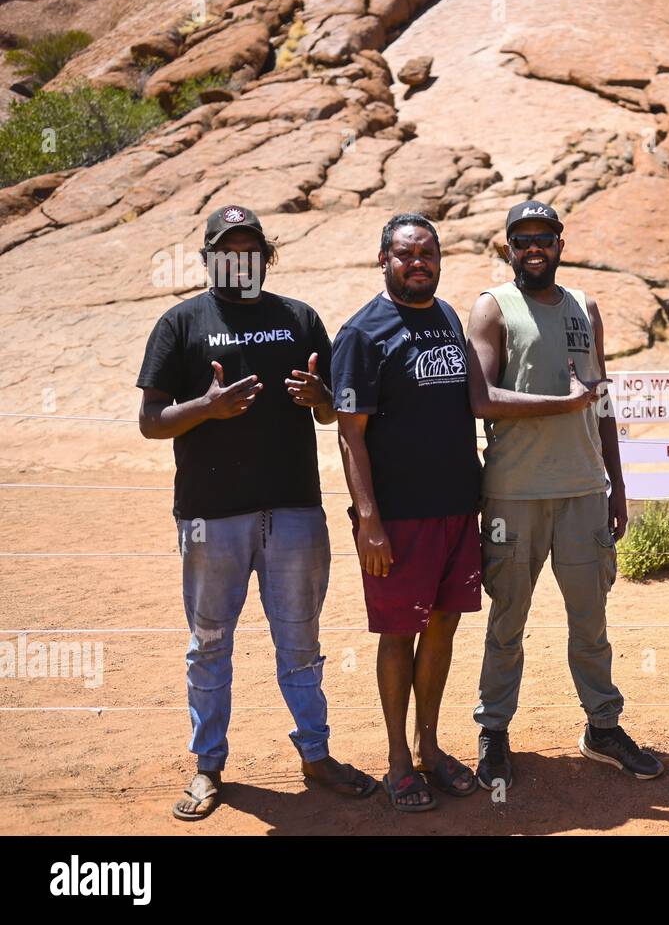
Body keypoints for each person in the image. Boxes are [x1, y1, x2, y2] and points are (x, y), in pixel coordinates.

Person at [137, 204, 375, 821]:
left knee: (300, 641)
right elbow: (150, 421)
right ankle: (208, 766)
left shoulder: (299, 318)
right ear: (209, 257)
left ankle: (316, 756)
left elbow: (334, 409)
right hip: (210, 517)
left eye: (250, 248)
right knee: (209, 644)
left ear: (265, 256)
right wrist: (206, 409)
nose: (238, 257)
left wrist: (322, 397)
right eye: (226, 248)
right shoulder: (180, 323)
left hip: (293, 510)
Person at [465, 200, 663, 790]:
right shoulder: (492, 308)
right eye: (522, 239)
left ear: (560, 243)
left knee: (591, 619)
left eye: (544, 238)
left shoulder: (585, 307)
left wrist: (617, 484)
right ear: (507, 248)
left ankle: (603, 727)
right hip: (514, 493)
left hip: (583, 490)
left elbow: (601, 401)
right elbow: (480, 399)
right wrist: (561, 404)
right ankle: (494, 732)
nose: (534, 248)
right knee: (507, 621)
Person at [333, 213, 483, 812]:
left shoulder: (447, 317)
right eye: (404, 254)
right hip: (397, 520)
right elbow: (349, 434)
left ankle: (430, 746)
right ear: (383, 260)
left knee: (444, 625)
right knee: (399, 634)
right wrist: (369, 519)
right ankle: (398, 760)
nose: (416, 262)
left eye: (426, 253)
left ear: (439, 260)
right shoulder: (362, 334)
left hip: (456, 508)